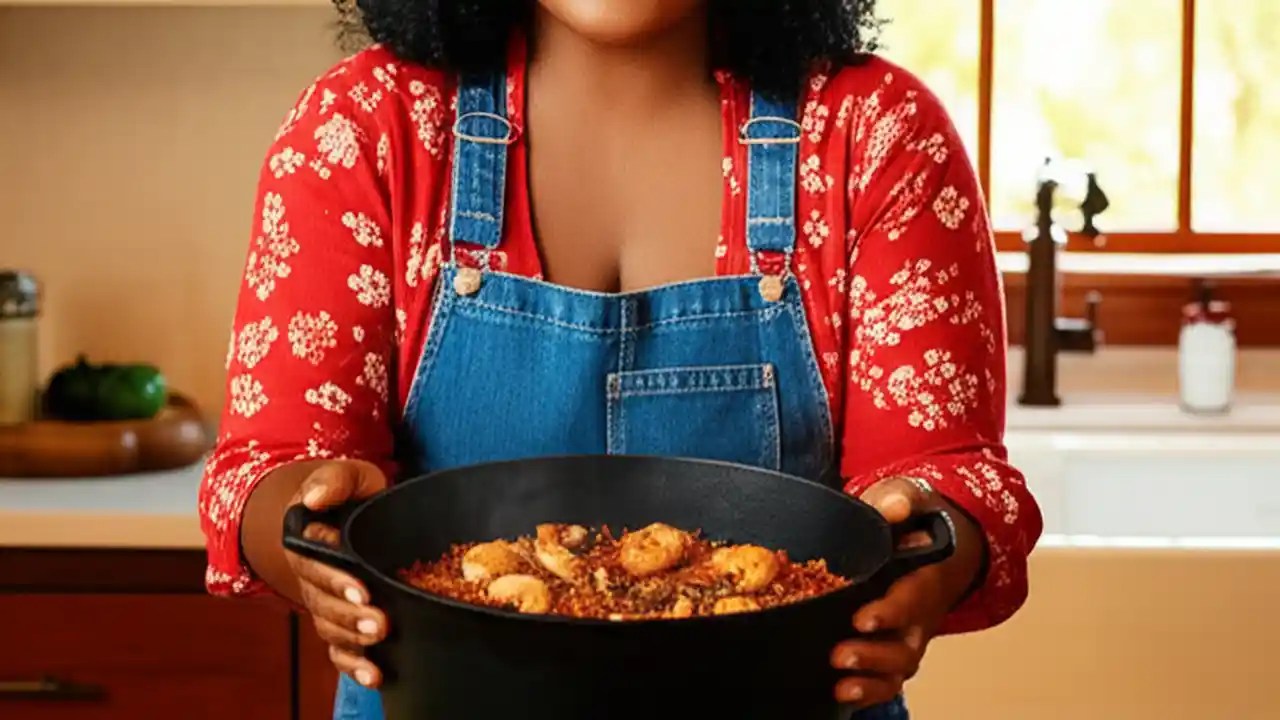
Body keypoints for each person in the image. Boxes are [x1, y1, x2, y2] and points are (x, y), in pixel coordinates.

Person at [198, 2, 1043, 718]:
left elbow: (948, 477)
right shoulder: (365, 127)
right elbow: (266, 468)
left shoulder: (877, 132)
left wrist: (935, 549)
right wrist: (312, 537)